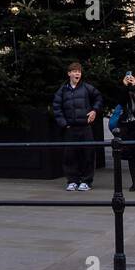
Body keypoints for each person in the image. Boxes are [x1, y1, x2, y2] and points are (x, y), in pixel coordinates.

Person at [52, 61, 103, 191]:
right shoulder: (62, 90)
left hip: (85, 127)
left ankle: (86, 181)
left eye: (79, 71)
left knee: (88, 154)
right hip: (70, 128)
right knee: (70, 155)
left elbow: (98, 98)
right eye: (75, 71)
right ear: (69, 73)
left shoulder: (87, 88)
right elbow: (56, 108)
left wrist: (94, 110)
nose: (77, 73)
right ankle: (72, 181)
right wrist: (64, 124)